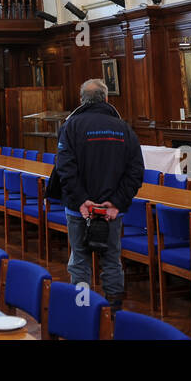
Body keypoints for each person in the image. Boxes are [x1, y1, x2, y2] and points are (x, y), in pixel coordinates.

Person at [49, 78, 144, 312]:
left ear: (82, 100)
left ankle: (82, 311)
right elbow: (136, 172)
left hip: (77, 209)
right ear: (107, 99)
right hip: (111, 212)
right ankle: (114, 313)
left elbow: (65, 169)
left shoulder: (71, 127)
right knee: (112, 260)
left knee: (79, 261)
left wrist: (82, 201)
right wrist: (116, 203)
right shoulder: (124, 129)